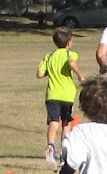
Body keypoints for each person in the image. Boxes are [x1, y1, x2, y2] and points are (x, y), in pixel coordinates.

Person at [36, 26, 84, 166]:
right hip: (67, 95)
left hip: (52, 95)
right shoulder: (70, 55)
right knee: (66, 124)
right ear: (69, 43)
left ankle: (50, 146)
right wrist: (80, 75)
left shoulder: (49, 56)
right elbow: (71, 63)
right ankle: (64, 155)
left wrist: (50, 71)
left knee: (53, 122)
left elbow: (39, 74)